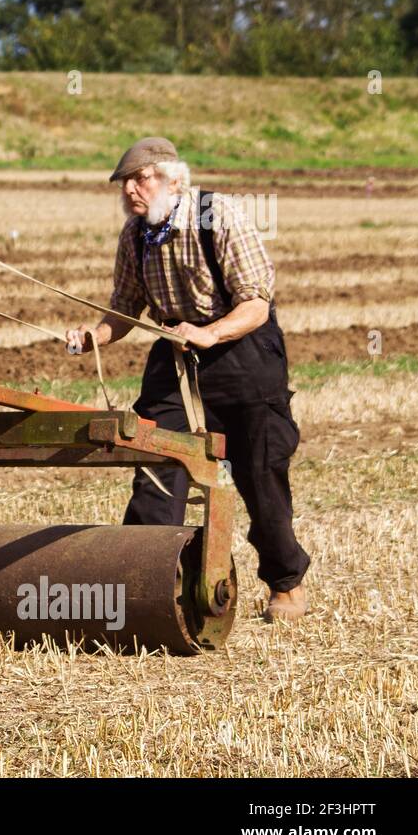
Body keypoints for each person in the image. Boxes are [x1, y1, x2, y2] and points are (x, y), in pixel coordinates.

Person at [66, 137, 309, 622]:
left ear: (175, 180)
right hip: (176, 358)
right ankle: (144, 584)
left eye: (142, 178)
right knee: (158, 463)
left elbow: (256, 303)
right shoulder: (136, 235)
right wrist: (95, 335)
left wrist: (209, 333)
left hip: (242, 351)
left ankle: (286, 583)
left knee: (261, 473)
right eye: (125, 183)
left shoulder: (219, 216)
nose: (132, 190)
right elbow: (125, 307)